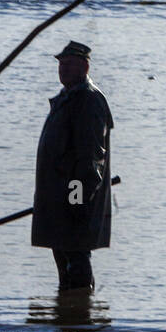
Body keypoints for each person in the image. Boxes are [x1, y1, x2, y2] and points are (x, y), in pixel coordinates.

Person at [32, 41, 113, 292]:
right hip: (59, 198)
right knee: (64, 257)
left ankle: (79, 321)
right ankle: (69, 318)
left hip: (73, 199)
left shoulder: (88, 100)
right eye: (61, 64)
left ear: (85, 66)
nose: (63, 69)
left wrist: (77, 200)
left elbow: (90, 158)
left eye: (69, 64)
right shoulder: (68, 98)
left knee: (76, 259)